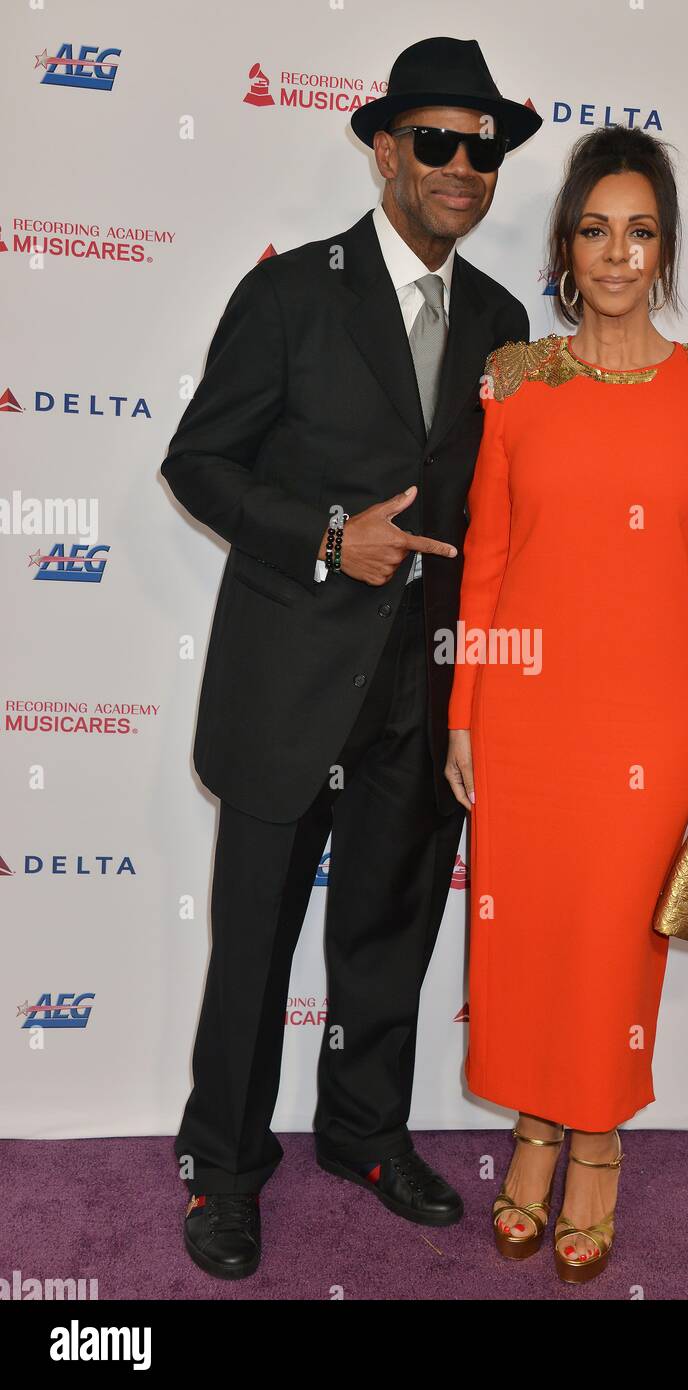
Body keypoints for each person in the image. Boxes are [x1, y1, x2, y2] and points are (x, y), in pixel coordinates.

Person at [161, 36, 541, 1279]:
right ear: (384, 150)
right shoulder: (290, 294)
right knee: (255, 948)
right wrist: (329, 536)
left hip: (425, 701)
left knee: (387, 940)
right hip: (289, 692)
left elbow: (503, 520)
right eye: (435, 140)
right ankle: (222, 1166)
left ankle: (367, 1133)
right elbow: (200, 462)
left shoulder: (499, 320)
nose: (460, 166)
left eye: (479, 148)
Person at [444, 124, 688, 1283]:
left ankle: (594, 1142)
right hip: (527, 714)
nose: (616, 254)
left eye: (639, 232)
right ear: (566, 248)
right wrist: (465, 712)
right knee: (526, 932)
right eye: (595, 230)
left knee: (613, 942)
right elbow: (484, 561)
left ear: (664, 248)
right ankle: (531, 1126)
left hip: (649, 721)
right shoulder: (518, 383)